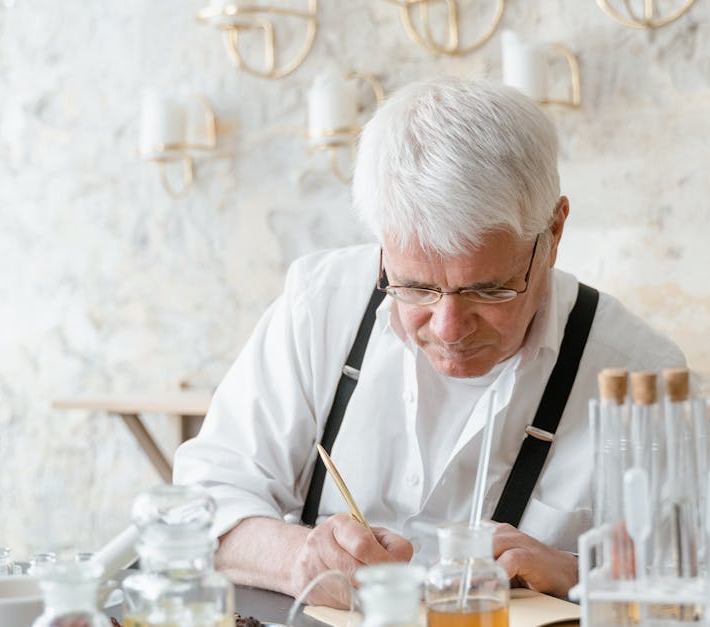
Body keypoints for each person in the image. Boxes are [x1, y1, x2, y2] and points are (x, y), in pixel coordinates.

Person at [173, 77, 684, 600]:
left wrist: (584, 576)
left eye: (489, 289)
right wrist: (297, 559)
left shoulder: (642, 378)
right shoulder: (321, 305)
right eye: (415, 287)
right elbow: (198, 506)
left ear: (553, 234)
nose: (448, 328)